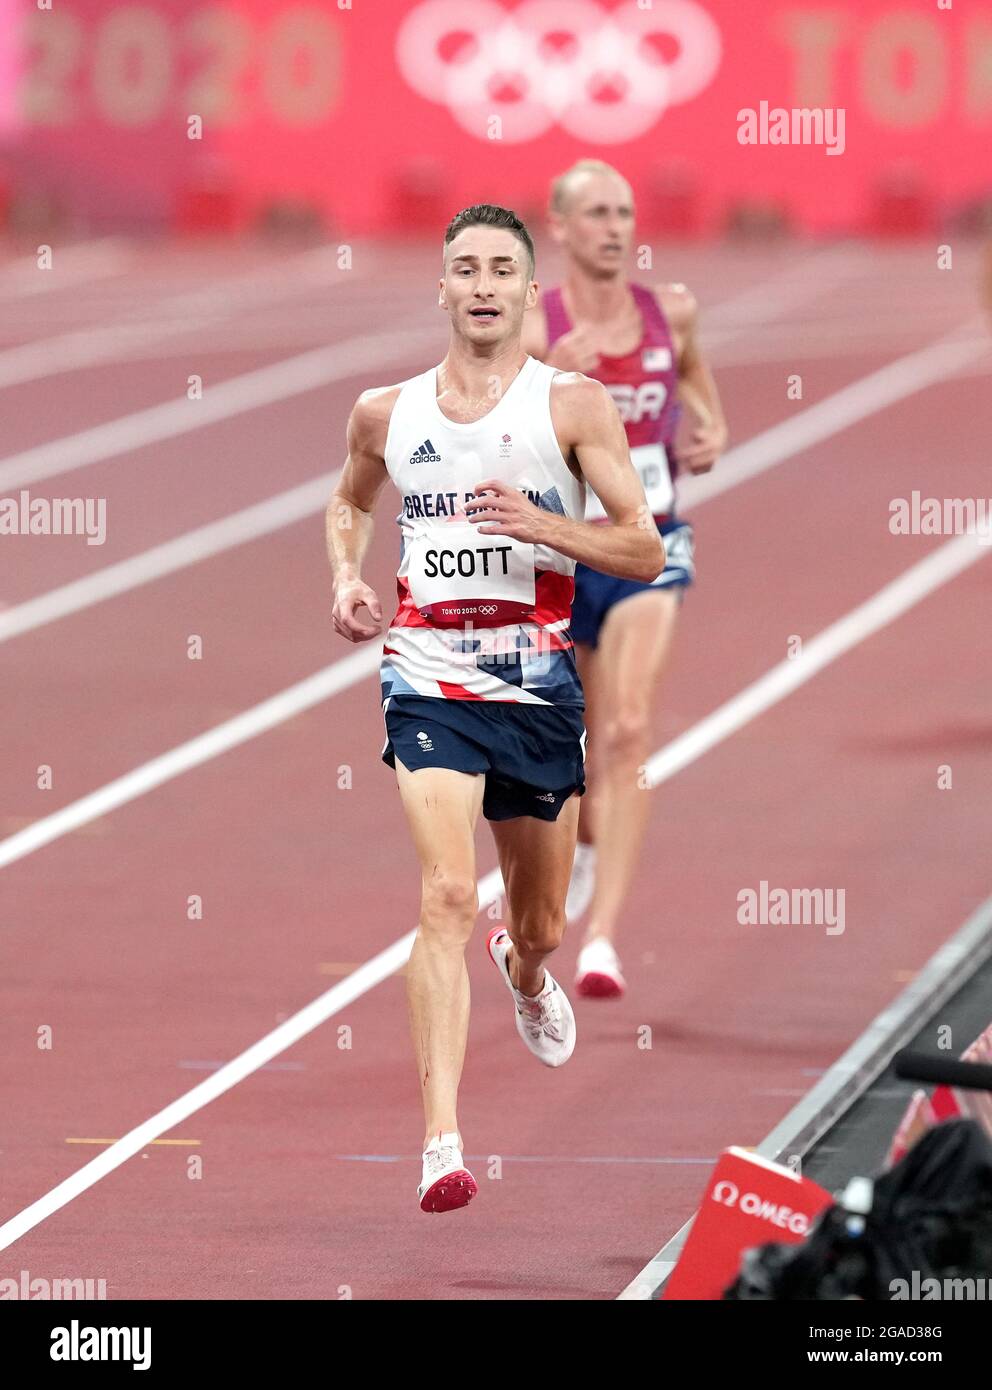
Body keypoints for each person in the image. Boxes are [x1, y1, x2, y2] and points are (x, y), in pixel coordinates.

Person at [326, 204, 665, 1213]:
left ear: (528, 291)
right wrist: (347, 575)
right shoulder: (385, 414)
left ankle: (522, 969)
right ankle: (440, 1142)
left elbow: (643, 548)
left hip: (536, 686)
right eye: (463, 267)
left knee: (541, 921)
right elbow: (348, 497)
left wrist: (547, 529)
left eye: (500, 270)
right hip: (426, 676)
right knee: (440, 893)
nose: (481, 285)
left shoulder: (571, 408)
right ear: (440, 287)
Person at [522, 160, 727, 999]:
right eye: (597, 214)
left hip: (652, 545)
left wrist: (711, 433)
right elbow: (490, 450)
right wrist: (543, 389)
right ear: (561, 228)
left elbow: (702, 406)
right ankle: (587, 851)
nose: (616, 227)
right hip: (571, 556)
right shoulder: (536, 331)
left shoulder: (670, 312)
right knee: (578, 747)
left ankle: (602, 939)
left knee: (630, 730)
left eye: (626, 212)